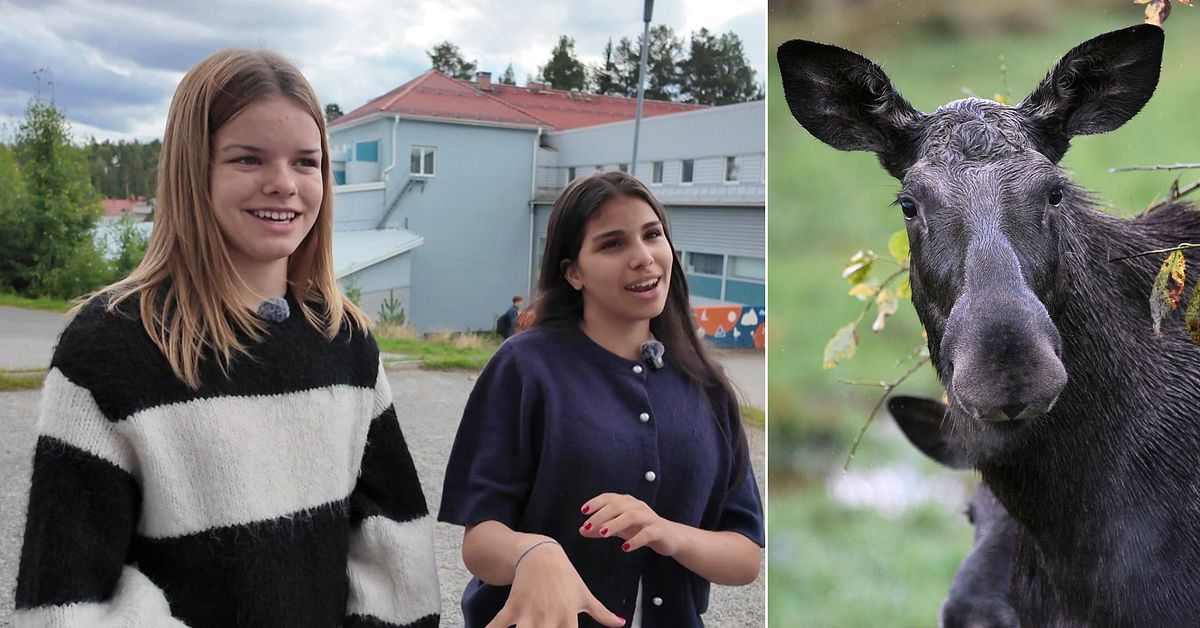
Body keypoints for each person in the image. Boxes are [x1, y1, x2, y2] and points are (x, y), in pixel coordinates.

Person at [13, 48, 440, 628]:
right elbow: (63, 605)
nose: (283, 184)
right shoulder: (107, 349)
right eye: (248, 159)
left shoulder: (345, 340)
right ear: (193, 170)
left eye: (306, 162)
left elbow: (394, 551)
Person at [439, 172, 764, 628]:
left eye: (652, 235)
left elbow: (746, 556)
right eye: (613, 244)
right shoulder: (525, 366)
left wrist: (665, 532)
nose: (643, 257)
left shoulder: (707, 386)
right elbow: (479, 543)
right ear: (573, 271)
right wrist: (534, 552)